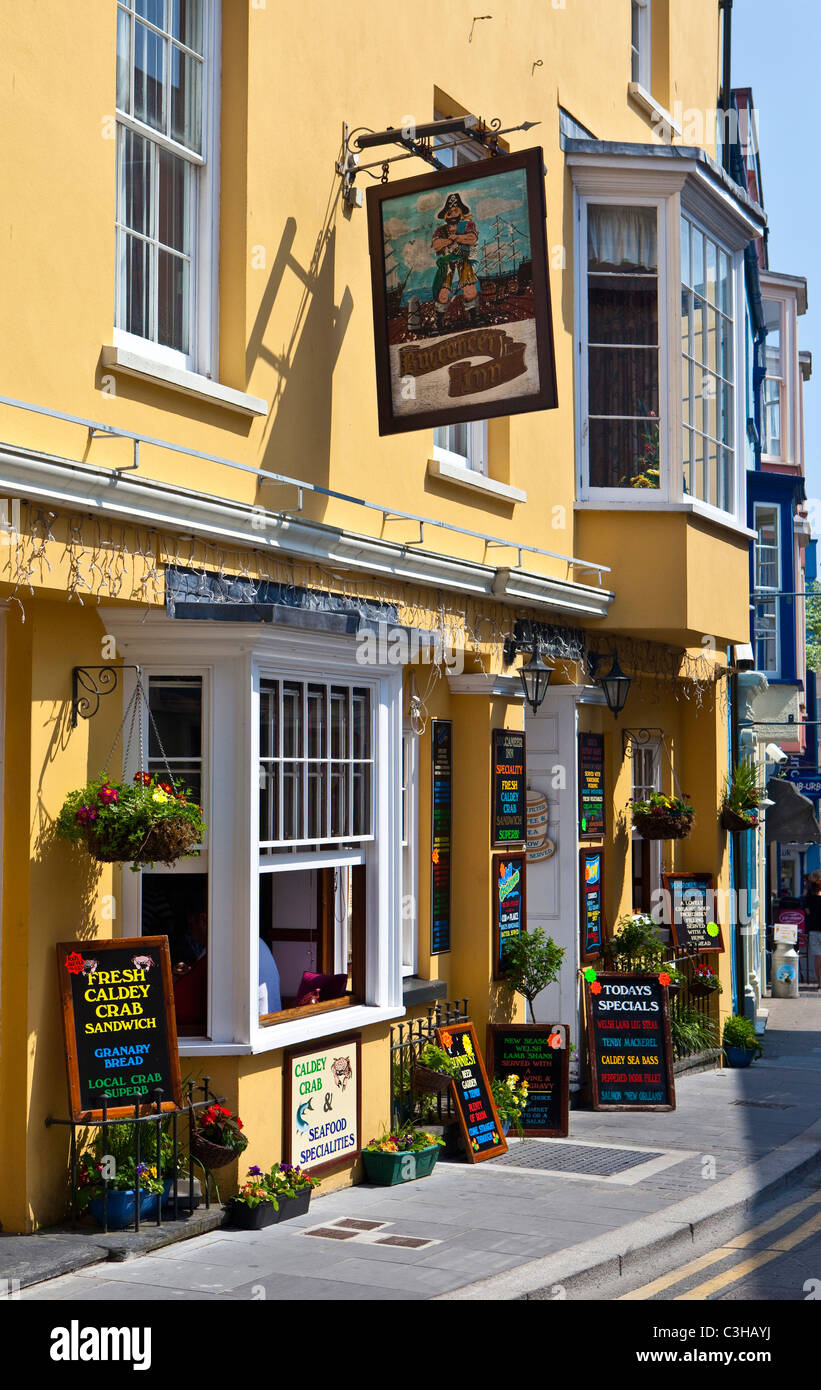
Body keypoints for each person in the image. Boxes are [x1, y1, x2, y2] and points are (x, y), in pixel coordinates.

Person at [429, 193, 481, 334]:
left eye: (455, 211)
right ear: (445, 215)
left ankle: (473, 318)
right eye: (449, 212)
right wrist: (450, 240)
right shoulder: (440, 230)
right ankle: (439, 323)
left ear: (460, 212)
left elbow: (472, 238)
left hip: (463, 260)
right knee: (443, 292)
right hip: (447, 263)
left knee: (469, 289)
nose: (452, 214)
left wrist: (458, 237)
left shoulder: (467, 225)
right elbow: (436, 245)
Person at [801, 873, 821, 989]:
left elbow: (806, 909)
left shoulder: (809, 900)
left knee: (818, 958)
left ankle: (820, 983)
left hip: (814, 931)